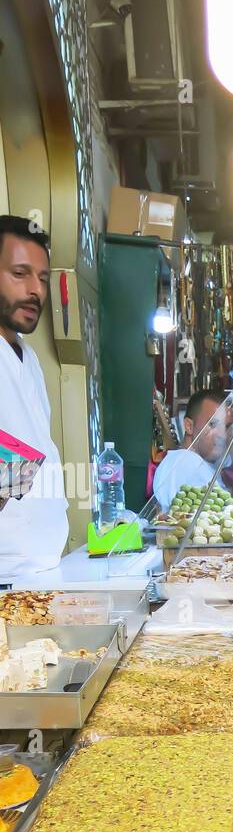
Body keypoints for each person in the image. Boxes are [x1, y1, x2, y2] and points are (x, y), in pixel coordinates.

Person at [0, 215, 68, 576]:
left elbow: (33, 447)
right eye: (19, 273)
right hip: (8, 574)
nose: (36, 290)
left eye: (42, 279)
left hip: (44, 566)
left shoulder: (29, 356)